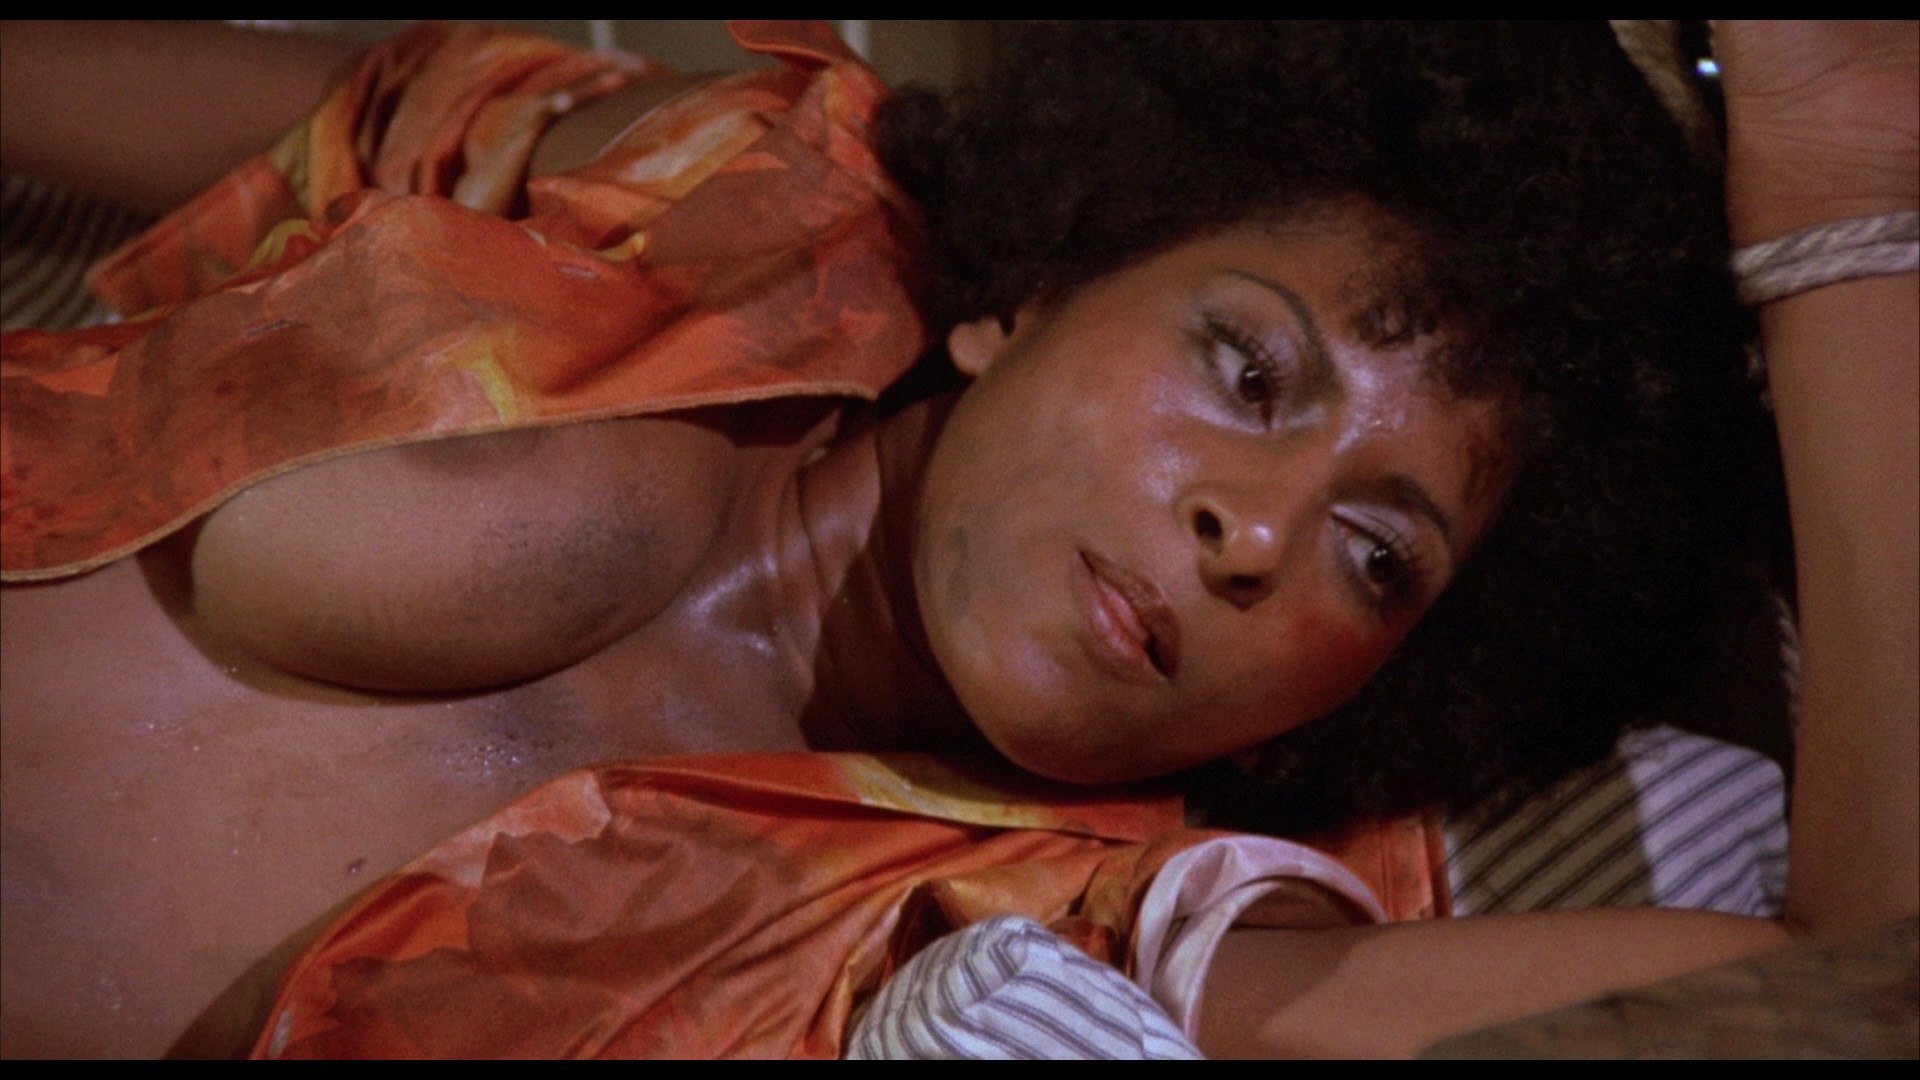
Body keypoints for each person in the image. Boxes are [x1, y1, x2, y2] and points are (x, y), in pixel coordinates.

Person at [0, 19, 1911, 1058]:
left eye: (1377, 558)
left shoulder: (1060, 931)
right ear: (1037, 284)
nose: (1254, 530)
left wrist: (1843, 187)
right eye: (1250, 369)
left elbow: (1868, 963)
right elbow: (372, 105)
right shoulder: (756, 201)